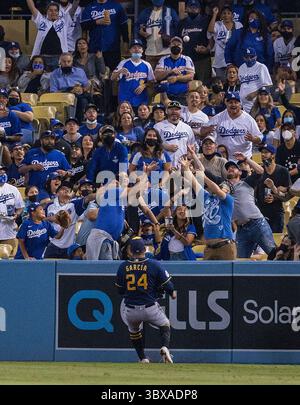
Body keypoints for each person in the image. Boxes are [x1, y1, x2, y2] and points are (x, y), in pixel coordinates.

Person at [115, 236, 176, 363]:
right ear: (144, 249)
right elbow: (168, 285)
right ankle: (165, 347)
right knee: (165, 324)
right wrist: (171, 293)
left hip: (131, 309)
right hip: (149, 307)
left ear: (130, 250)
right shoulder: (153, 264)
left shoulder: (123, 266)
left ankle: (143, 358)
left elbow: (120, 290)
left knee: (134, 331)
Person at [182, 156, 236, 260]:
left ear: (229, 191)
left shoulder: (228, 200)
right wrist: (186, 169)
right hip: (209, 247)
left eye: (225, 186)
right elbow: (194, 183)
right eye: (221, 185)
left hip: (225, 246)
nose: (222, 187)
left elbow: (217, 191)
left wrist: (204, 177)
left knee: (227, 276)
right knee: (207, 276)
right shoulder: (207, 196)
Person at [225, 155, 276, 258]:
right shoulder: (223, 187)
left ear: (240, 172)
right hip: (241, 229)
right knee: (240, 262)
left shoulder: (246, 182)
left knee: (274, 254)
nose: (230, 168)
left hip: (257, 224)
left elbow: (261, 171)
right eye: (228, 168)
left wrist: (245, 159)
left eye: (233, 167)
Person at [201, 91, 262, 160]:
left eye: (236, 102)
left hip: (243, 159)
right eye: (230, 102)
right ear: (226, 103)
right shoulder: (218, 117)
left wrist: (253, 139)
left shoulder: (248, 119)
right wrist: (207, 129)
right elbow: (202, 131)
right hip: (223, 158)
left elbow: (260, 138)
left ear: (240, 104)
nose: (233, 105)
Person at [26, 0, 80, 71]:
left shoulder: (64, 21)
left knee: (58, 79)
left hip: (59, 58)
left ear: (58, 12)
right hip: (42, 58)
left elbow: (74, 7)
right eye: (50, 10)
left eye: (55, 10)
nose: (53, 12)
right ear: (47, 12)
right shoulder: (41, 20)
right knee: (41, 79)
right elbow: (31, 7)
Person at [80, 0, 129, 71]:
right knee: (96, 74)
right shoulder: (89, 7)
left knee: (113, 73)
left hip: (113, 46)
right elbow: (84, 26)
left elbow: (124, 25)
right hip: (95, 46)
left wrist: (126, 41)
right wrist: (97, 22)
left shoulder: (116, 6)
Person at [111, 39, 155, 112]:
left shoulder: (147, 65)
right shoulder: (123, 63)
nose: (137, 49)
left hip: (141, 100)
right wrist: (119, 71)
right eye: (134, 47)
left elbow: (152, 82)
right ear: (130, 50)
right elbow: (112, 78)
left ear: (142, 50)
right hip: (125, 100)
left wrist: (144, 85)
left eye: (139, 47)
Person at [256, 143, 291, 232]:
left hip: (276, 212)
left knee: (276, 240)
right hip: (260, 212)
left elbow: (288, 193)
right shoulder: (259, 171)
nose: (263, 154)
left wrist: (274, 197)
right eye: (262, 152)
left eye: (266, 152)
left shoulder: (283, 171)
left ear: (273, 155)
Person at [134, 0, 179, 70]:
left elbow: (178, 29)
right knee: (150, 79)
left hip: (166, 52)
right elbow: (137, 27)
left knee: (166, 79)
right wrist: (141, 32)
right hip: (149, 52)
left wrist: (170, 39)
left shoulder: (170, 12)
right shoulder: (145, 12)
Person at [177, 0, 213, 86]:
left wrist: (207, 49)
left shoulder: (206, 20)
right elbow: (177, 39)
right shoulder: (182, 22)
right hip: (186, 60)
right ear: (186, 9)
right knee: (186, 85)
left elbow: (212, 38)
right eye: (191, 7)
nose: (193, 9)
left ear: (200, 9)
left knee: (203, 85)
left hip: (202, 60)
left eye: (195, 7)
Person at [50, 52, 90, 123]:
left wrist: (82, 89)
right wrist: (69, 92)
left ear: (72, 62)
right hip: (63, 97)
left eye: (68, 61)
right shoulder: (54, 74)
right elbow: (53, 92)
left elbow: (87, 86)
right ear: (60, 62)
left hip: (79, 95)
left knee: (83, 100)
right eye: (64, 61)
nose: (66, 64)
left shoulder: (80, 72)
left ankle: (79, 123)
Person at [154, 36, 195, 105]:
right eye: (173, 44)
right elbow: (156, 76)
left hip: (182, 95)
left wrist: (177, 78)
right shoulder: (163, 59)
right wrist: (170, 71)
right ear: (170, 46)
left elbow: (191, 76)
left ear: (182, 48)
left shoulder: (187, 59)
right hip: (166, 95)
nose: (176, 46)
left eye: (178, 45)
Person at [154, 100, 195, 168]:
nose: (174, 111)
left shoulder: (187, 127)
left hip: (183, 165)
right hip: (164, 164)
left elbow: (191, 145)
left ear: (180, 112)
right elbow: (152, 144)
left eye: (176, 109)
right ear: (167, 111)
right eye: (171, 109)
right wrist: (165, 146)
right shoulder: (158, 126)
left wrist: (189, 154)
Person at [207, 4, 243, 81]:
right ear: (221, 15)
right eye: (224, 13)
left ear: (232, 15)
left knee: (236, 82)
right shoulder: (218, 24)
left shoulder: (238, 25)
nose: (226, 15)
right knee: (222, 84)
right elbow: (210, 30)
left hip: (235, 59)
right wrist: (215, 14)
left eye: (228, 13)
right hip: (220, 60)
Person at [238, 47, 272, 113]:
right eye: (247, 57)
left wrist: (255, 93)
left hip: (256, 104)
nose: (249, 59)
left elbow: (268, 86)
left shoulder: (261, 67)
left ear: (256, 57)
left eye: (251, 57)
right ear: (243, 58)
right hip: (243, 105)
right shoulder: (241, 68)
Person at [0, 165, 24, 252]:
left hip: (9, 231)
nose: (2, 174)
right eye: (0, 172)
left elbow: (20, 207)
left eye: (4, 172)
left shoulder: (13, 189)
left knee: (8, 259)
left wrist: (16, 215)